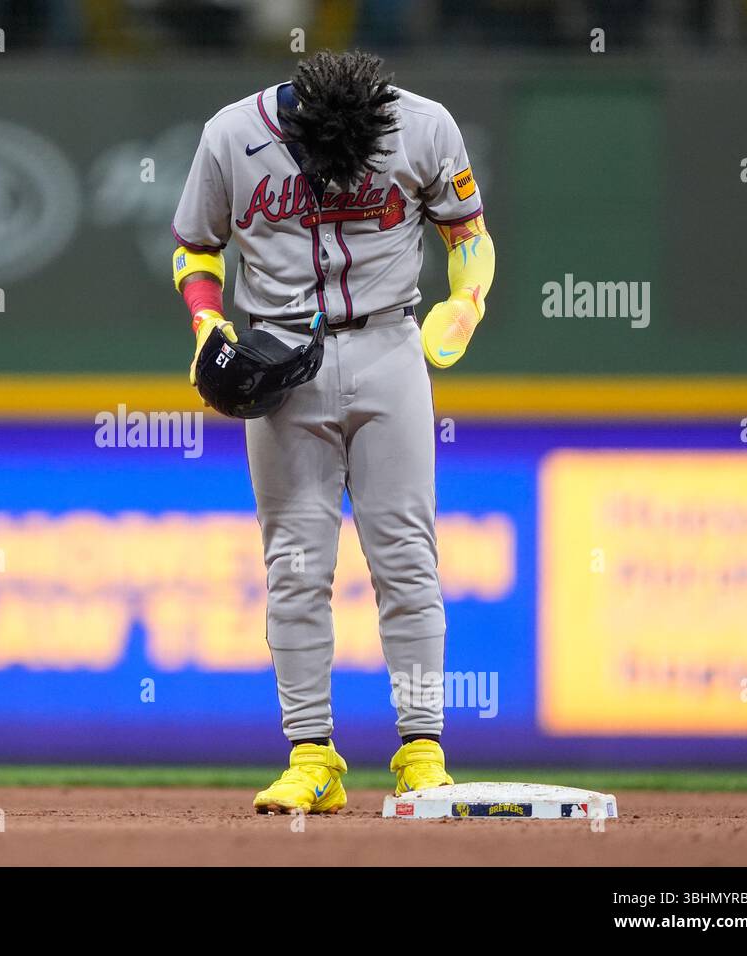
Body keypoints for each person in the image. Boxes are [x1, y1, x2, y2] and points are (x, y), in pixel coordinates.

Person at [170, 50, 496, 812]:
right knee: (294, 563)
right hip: (280, 352)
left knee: (407, 559)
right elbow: (194, 246)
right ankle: (312, 756)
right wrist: (206, 318)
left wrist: (469, 300)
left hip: (390, 345)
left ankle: (422, 752)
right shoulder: (230, 136)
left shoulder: (424, 125)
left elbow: (467, 233)